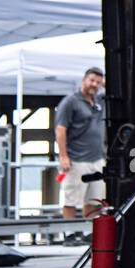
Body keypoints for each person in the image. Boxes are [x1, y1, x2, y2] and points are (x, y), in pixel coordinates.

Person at [55, 67, 106, 242]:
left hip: (96, 158)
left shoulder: (98, 100)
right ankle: (69, 233)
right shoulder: (71, 102)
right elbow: (60, 129)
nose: (95, 85)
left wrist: (102, 84)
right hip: (76, 158)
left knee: (94, 198)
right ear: (83, 80)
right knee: (71, 198)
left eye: (98, 82)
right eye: (92, 80)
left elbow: (111, 90)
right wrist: (63, 156)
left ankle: (87, 232)